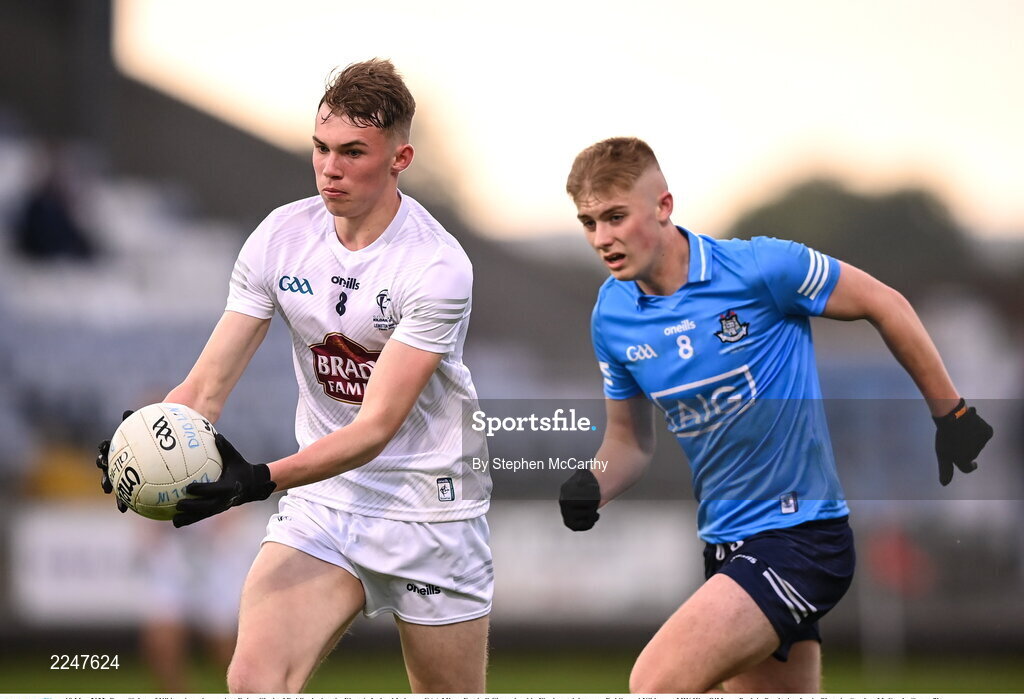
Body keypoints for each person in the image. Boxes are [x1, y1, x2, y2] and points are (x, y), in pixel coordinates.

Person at [96, 59, 492, 693]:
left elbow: (375, 428)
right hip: (325, 506)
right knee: (253, 680)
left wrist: (258, 480)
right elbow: (203, 392)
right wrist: (142, 443)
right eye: (321, 148)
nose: (330, 168)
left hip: (429, 509)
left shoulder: (438, 267)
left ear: (400, 158)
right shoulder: (281, 237)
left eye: (353, 152)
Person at [557, 137, 993, 693]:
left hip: (800, 539)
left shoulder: (761, 268)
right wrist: (592, 485)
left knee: (655, 684)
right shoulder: (612, 315)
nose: (602, 238)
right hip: (725, 547)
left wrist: (950, 414)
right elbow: (630, 444)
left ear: (664, 206)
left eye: (615, 217)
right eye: (588, 222)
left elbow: (886, 303)